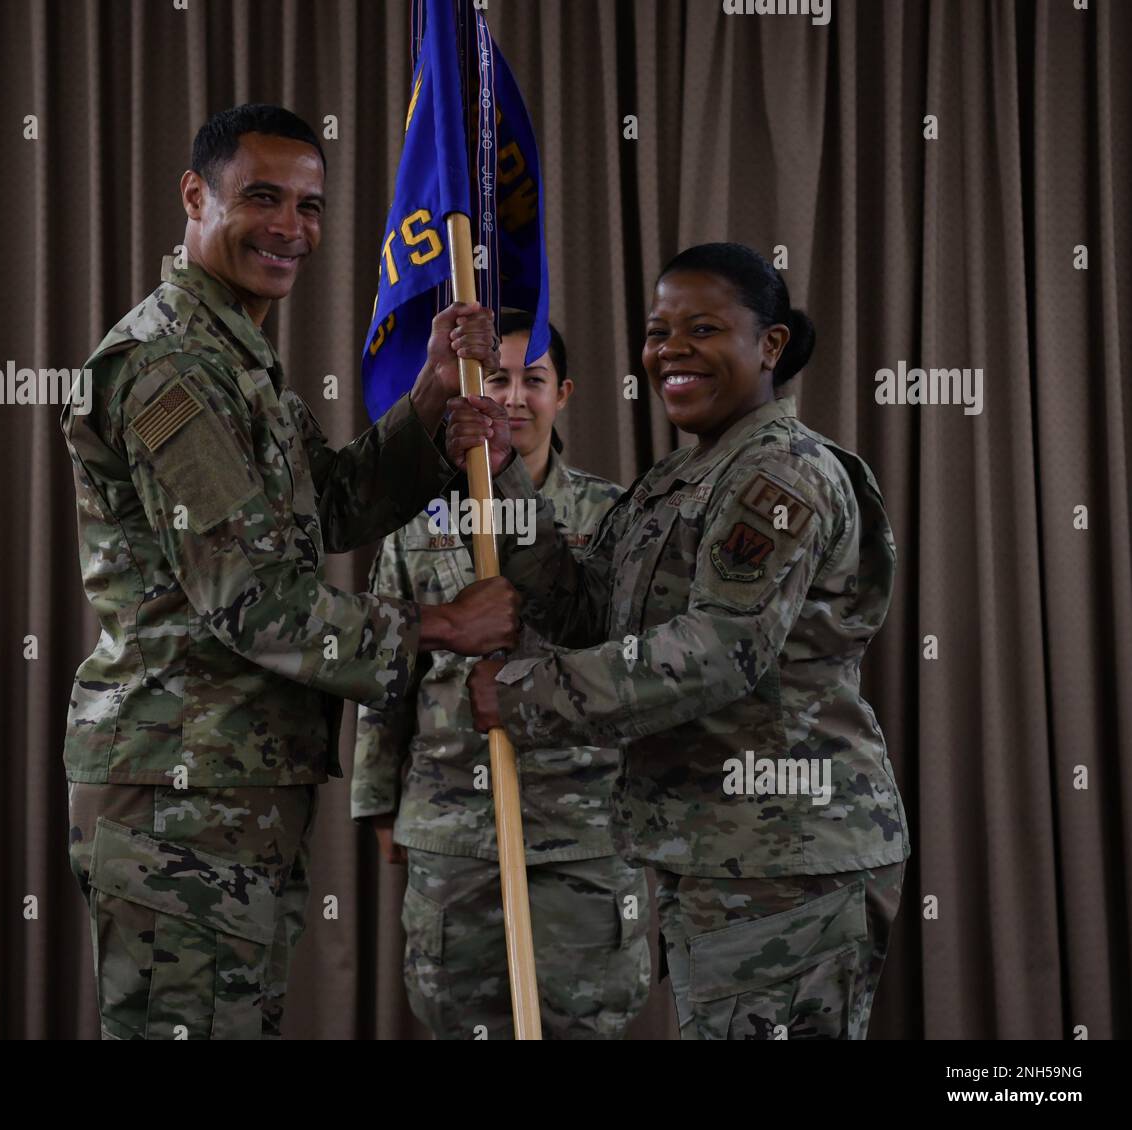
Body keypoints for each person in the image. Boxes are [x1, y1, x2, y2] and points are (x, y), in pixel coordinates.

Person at [60, 103, 518, 1040]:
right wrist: (437, 627)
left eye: (308, 207)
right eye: (262, 198)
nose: (289, 228)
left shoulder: (236, 355)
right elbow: (248, 596)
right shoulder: (171, 368)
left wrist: (431, 398)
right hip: (180, 793)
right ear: (196, 196)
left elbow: (331, 506)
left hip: (230, 783)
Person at [448, 243, 910, 1040]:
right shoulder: (680, 477)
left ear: (769, 345)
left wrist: (524, 698)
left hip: (787, 858)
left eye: (702, 328)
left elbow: (714, 651)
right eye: (660, 332)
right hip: (720, 850)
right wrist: (506, 481)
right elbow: (584, 607)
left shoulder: (780, 475)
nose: (671, 351)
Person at [352, 312, 651, 1040]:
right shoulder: (417, 519)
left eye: (533, 380)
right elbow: (384, 671)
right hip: (454, 824)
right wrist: (381, 802)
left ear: (565, 392)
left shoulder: (615, 517)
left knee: (589, 1022)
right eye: (497, 379)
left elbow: (640, 668)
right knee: (459, 1019)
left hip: (582, 828)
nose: (514, 398)